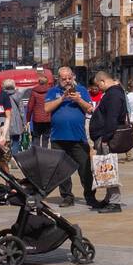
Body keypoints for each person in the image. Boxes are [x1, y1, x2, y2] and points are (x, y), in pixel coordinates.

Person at [45, 66, 98, 208]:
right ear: (58, 79)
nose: (67, 81)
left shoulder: (81, 90)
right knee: (62, 171)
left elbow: (89, 108)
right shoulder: (53, 91)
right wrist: (62, 98)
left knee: (85, 169)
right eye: (64, 79)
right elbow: (46, 108)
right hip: (58, 138)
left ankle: (90, 196)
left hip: (78, 138)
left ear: (73, 77)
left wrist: (79, 100)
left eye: (69, 78)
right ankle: (67, 197)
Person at [87, 70, 127, 213]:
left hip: (106, 138)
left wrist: (106, 138)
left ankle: (115, 202)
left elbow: (112, 119)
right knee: (105, 169)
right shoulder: (113, 93)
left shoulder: (113, 95)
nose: (99, 88)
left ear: (103, 81)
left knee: (109, 169)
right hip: (104, 137)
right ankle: (109, 199)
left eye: (99, 85)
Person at [27, 71, 53, 148]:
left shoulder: (34, 91)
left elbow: (30, 107)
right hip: (48, 118)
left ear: (39, 82)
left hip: (37, 119)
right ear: (47, 82)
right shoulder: (50, 91)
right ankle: (44, 155)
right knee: (46, 138)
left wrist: (28, 119)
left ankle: (36, 154)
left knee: (36, 137)